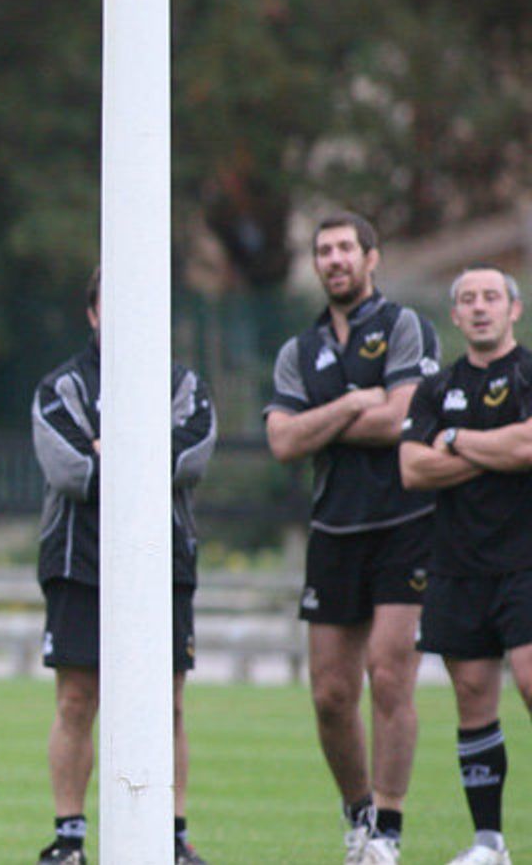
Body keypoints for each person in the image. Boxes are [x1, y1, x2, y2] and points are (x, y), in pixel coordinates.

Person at [264, 211, 439, 864]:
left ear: (371, 257)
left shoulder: (402, 326)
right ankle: (358, 813)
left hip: (405, 524)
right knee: (331, 695)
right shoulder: (296, 351)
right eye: (323, 251)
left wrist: (321, 418)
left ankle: (388, 831)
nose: (334, 259)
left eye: (345, 248)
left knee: (389, 675)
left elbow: (400, 418)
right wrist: (347, 406)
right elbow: (282, 441)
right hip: (333, 528)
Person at [30, 269, 217, 865]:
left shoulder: (182, 384)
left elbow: (192, 453)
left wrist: (119, 449)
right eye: (113, 302)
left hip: (164, 557)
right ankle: (69, 839)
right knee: (77, 700)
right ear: (92, 313)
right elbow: (70, 470)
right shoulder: (61, 387)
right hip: (77, 559)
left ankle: (172, 834)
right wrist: (139, 453)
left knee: (168, 701)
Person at [399, 264, 532, 865]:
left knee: (530, 683)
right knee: (474, 695)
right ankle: (489, 843)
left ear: (514, 309)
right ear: (454, 315)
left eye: (491, 297)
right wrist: (500, 450)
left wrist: (453, 441)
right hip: (456, 564)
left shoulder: (529, 373)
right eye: (468, 299)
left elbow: (531, 446)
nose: (480, 307)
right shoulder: (436, 387)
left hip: (525, 561)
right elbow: (411, 469)